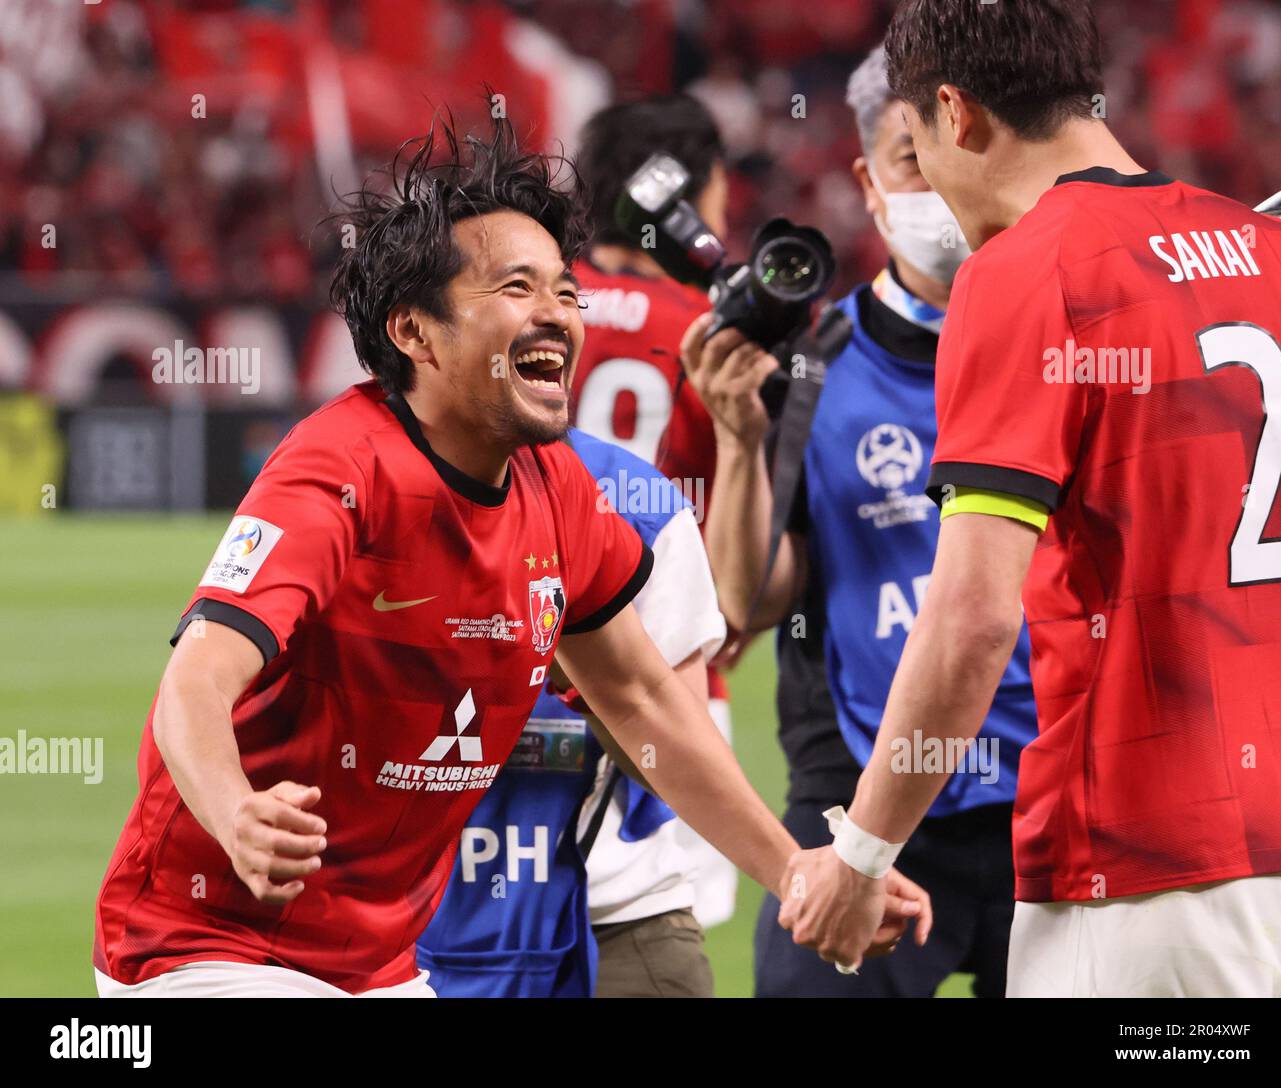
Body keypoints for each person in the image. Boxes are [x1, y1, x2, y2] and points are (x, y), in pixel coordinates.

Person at [91, 111, 925, 998]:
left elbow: (643, 700)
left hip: (376, 969)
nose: (560, 315)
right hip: (203, 946)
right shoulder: (338, 467)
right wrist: (237, 815)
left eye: (566, 291)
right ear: (414, 332)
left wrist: (797, 869)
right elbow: (195, 680)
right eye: (517, 288)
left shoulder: (557, 490)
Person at [781, 0, 1281, 997]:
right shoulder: (1274, 253)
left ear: (954, 112)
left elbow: (973, 616)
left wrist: (861, 852)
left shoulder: (1026, 270)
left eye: (920, 147)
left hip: (1144, 862)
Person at [681, 45, 1025, 998]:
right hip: (858, 798)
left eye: (945, 150)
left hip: (1053, 796)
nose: (935, 180)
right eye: (905, 160)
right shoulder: (809, 364)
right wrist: (739, 444)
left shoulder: (1068, 349)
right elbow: (741, 609)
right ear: (869, 186)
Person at [414, 428, 724, 998]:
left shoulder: (639, 503)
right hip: (392, 929)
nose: (550, 334)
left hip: (618, 919)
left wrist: (582, 667)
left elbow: (685, 771)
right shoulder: (351, 479)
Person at [569, 95, 740, 992]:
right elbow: (731, 515)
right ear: (677, 192)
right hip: (674, 673)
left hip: (525, 667)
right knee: (663, 940)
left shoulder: (530, 305)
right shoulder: (704, 328)